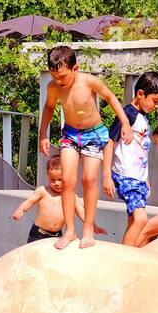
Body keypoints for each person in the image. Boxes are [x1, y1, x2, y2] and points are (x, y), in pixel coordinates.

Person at [38, 44, 132, 248]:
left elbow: (110, 97)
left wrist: (124, 122)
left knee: (89, 179)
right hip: (70, 135)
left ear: (75, 68)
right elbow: (49, 107)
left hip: (94, 134)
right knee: (68, 180)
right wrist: (42, 134)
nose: (59, 81)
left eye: (63, 76)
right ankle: (70, 230)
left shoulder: (88, 81)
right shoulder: (54, 87)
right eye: (55, 76)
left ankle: (88, 229)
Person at [102, 71, 158, 246]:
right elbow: (109, 143)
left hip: (138, 179)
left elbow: (141, 152)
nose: (156, 106)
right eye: (155, 101)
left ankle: (132, 252)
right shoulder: (127, 115)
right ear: (140, 94)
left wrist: (147, 179)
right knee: (141, 219)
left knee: (133, 221)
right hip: (125, 176)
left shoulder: (143, 118)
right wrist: (107, 176)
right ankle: (125, 256)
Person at [13, 154, 104, 243]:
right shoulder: (43, 191)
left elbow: (81, 212)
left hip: (58, 235)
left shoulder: (71, 196)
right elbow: (30, 201)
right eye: (52, 179)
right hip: (38, 234)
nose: (56, 183)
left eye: (60, 179)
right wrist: (21, 209)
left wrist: (92, 224)